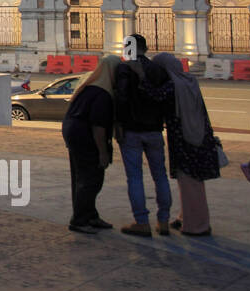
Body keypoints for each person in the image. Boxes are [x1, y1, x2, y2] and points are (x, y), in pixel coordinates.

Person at [151, 53, 221, 236]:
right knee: (194, 182)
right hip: (201, 136)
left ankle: (197, 226)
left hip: (185, 140)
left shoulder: (171, 86)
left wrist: (141, 76)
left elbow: (153, 96)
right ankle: (185, 217)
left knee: (189, 183)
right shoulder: (189, 81)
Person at [113, 34, 175, 237]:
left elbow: (121, 99)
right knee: (160, 176)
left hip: (131, 130)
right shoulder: (157, 69)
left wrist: (118, 125)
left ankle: (142, 221)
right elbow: (166, 98)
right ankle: (164, 221)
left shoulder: (124, 69)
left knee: (135, 178)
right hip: (155, 130)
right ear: (146, 48)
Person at [61, 55, 119, 233]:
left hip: (74, 133)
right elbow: (98, 127)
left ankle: (90, 215)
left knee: (83, 176)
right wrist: (102, 152)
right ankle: (79, 219)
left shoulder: (90, 87)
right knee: (91, 179)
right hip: (84, 137)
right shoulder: (102, 94)